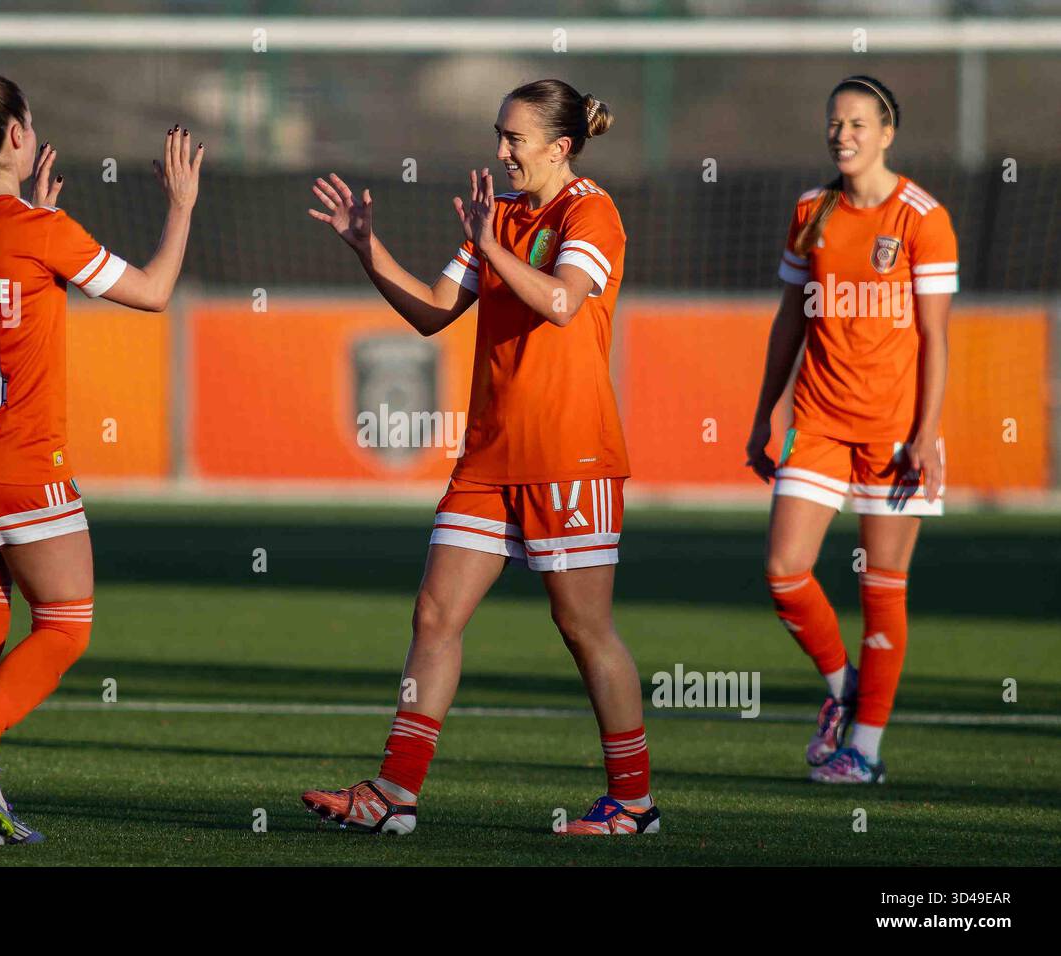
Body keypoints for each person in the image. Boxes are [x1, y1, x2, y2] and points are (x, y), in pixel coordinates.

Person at [301, 79, 658, 835]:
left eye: (514, 140)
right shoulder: (500, 215)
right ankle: (395, 793)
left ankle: (633, 802)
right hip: (488, 460)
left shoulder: (589, 211)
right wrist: (369, 249)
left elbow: (563, 303)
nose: (500, 151)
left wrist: (494, 244)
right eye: (498, 135)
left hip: (571, 457)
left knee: (583, 629)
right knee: (434, 613)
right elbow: (434, 310)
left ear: (560, 147)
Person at [0, 41, 203, 842]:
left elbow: (4, 281)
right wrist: (180, 206)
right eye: (30, 123)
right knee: (67, 624)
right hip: (18, 462)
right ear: (14, 137)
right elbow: (151, 292)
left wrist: (32, 216)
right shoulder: (44, 231)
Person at [745, 75, 957, 784]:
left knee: (883, 589)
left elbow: (935, 337)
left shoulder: (923, 218)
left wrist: (925, 435)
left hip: (897, 433)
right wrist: (762, 411)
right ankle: (843, 689)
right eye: (835, 123)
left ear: (887, 134)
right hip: (820, 420)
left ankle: (863, 752)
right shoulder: (812, 210)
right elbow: (789, 321)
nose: (843, 135)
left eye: (859, 124)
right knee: (784, 571)